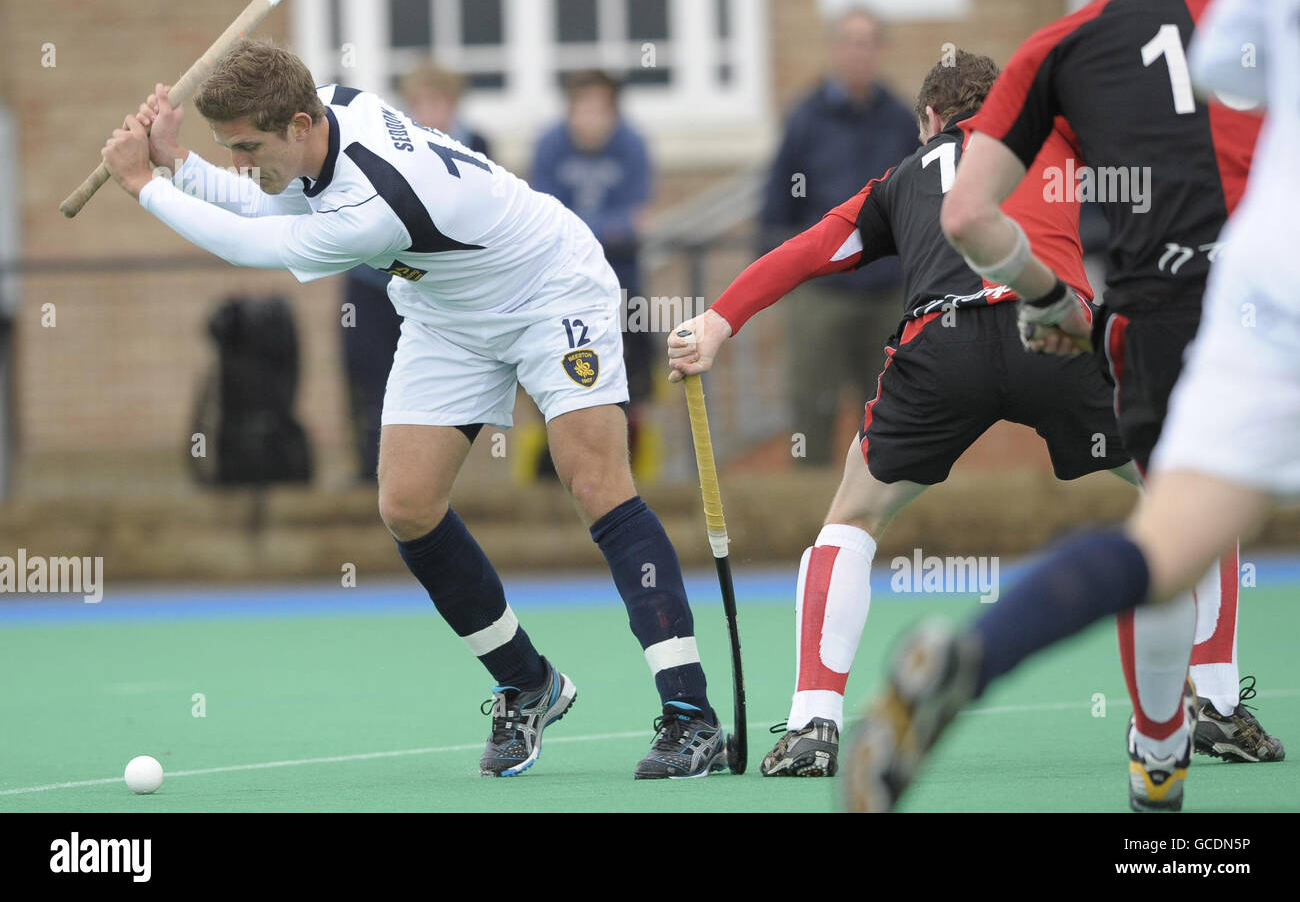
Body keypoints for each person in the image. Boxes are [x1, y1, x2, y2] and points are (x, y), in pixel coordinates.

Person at [100, 39, 729, 780]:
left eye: (248, 146)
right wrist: (178, 164)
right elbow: (264, 196)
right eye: (231, 147)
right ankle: (528, 681)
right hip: (446, 307)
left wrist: (145, 186)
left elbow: (252, 243)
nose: (243, 161)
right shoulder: (326, 113)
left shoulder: (374, 200)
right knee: (407, 503)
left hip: (548, 286)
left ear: (300, 123)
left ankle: (692, 715)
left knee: (594, 480)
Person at [843, 0, 1287, 814]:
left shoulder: (1060, 44)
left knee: (1166, 546)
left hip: (1178, 311)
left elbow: (969, 212)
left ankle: (1110, 732)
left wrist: (1048, 298)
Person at [669, 50, 1136, 776]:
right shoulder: (1057, 136)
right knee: (1184, 493)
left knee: (850, 519)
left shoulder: (901, 178)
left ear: (929, 121)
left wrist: (719, 323)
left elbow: (808, 250)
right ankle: (1213, 705)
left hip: (943, 346)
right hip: (1057, 328)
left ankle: (812, 724)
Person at [759, 7, 919, 465]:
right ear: (833, 49)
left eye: (868, 42)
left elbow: (917, 200)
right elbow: (777, 205)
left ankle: (883, 513)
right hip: (821, 293)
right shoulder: (805, 119)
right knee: (812, 408)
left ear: (881, 51)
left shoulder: (898, 118)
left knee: (892, 407)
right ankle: (811, 520)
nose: (859, 53)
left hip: (888, 289)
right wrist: (778, 281)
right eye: (850, 41)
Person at [341, 61, 489, 481]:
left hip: (438, 288)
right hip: (376, 281)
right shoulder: (383, 142)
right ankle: (370, 469)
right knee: (368, 370)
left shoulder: (475, 145)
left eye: (438, 102)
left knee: (432, 379)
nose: (430, 111)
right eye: (421, 102)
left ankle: (425, 475)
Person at [530, 70, 655, 469]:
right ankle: (555, 473)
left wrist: (584, 228)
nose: (591, 118)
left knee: (632, 387)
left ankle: (631, 469)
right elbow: (548, 219)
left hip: (622, 290)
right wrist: (603, 229)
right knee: (559, 386)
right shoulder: (549, 145)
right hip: (560, 292)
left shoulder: (632, 145)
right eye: (582, 107)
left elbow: (636, 219)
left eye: (600, 109)